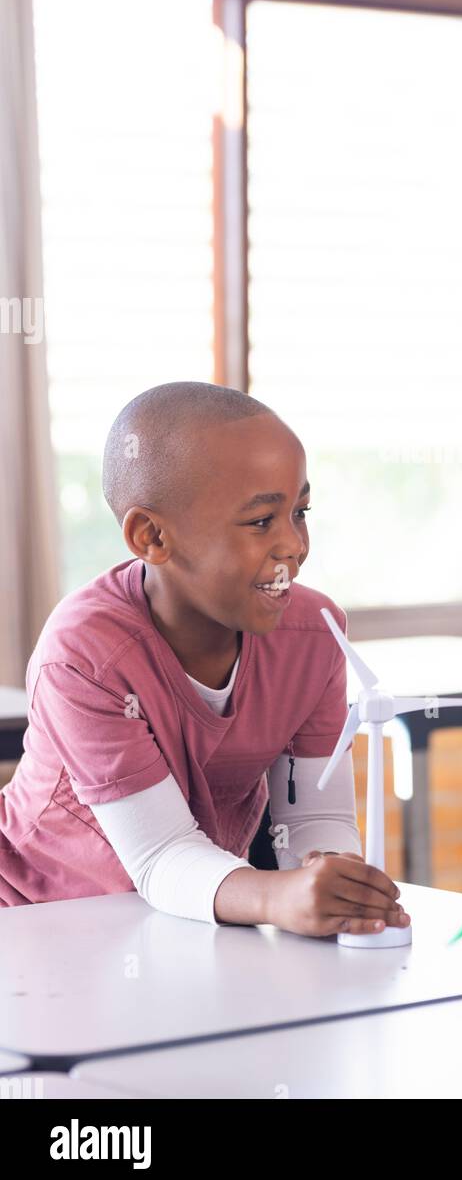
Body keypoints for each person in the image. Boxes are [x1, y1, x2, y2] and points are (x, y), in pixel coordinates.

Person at [0, 380, 410, 938]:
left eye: (301, 511)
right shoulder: (84, 653)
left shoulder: (315, 635)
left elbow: (316, 818)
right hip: (35, 922)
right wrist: (273, 895)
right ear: (151, 537)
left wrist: (330, 885)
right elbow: (162, 853)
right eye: (261, 521)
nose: (293, 544)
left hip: (182, 919)